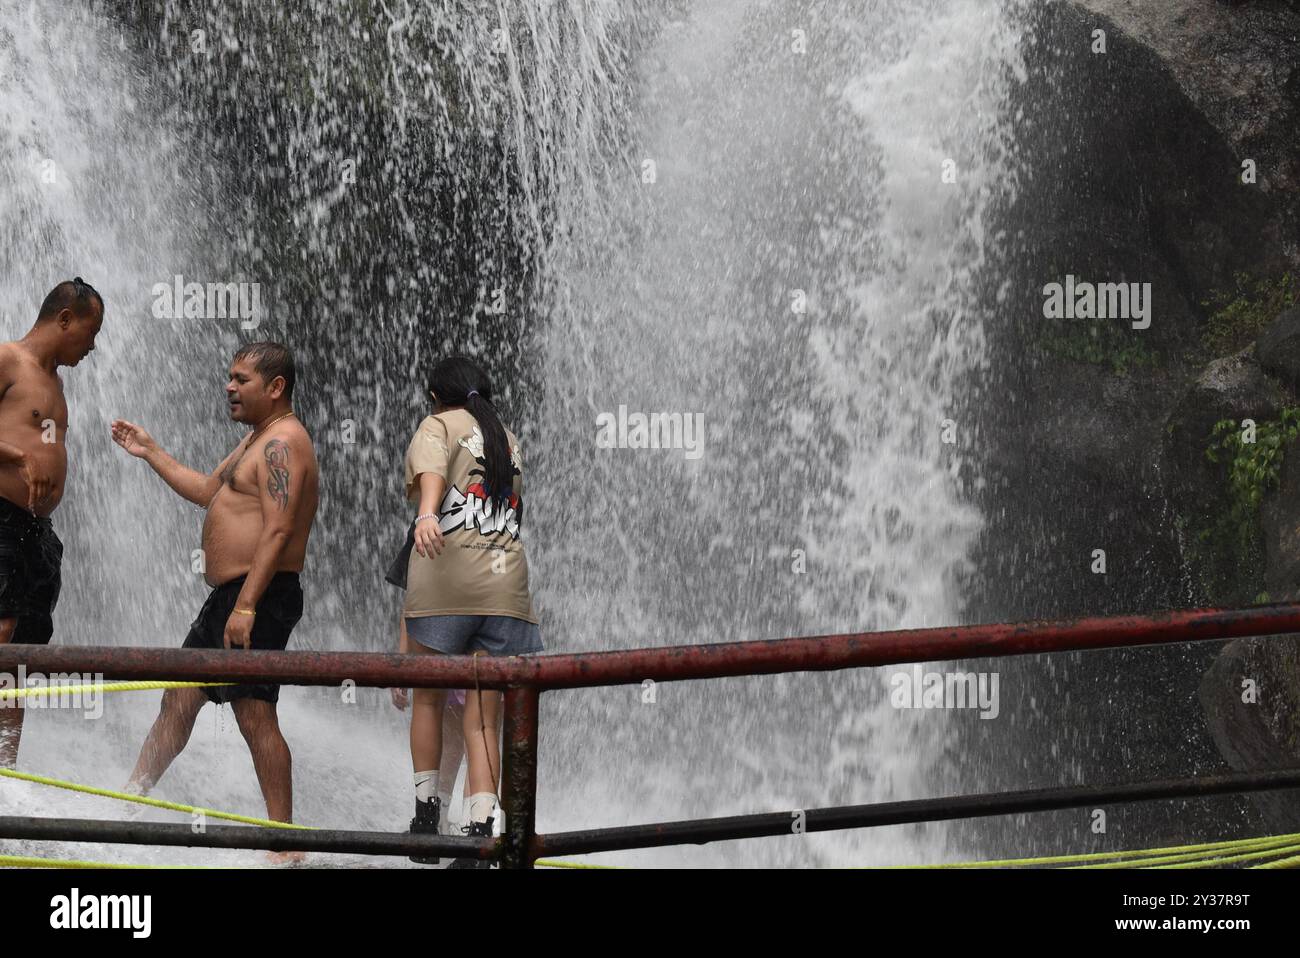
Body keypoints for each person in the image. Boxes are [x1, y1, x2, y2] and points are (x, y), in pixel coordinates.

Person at [110, 342, 318, 863]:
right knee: (179, 699)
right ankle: (129, 804)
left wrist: (246, 607)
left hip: (258, 595)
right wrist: (150, 451)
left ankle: (284, 843)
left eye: (241, 379)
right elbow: (207, 490)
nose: (229, 386)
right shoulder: (255, 439)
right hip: (232, 597)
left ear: (275, 387)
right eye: (229, 377)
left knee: (255, 713)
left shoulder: (283, 443)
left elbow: (278, 531)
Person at [401, 356, 541, 868]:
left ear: (437, 396)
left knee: (430, 702)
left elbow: (431, 472)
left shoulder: (438, 423)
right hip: (507, 589)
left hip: (447, 582)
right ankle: (483, 827)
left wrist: (426, 514)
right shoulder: (507, 438)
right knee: (484, 720)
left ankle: (425, 816)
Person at [0, 278, 104, 767]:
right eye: (90, 331)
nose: (92, 345)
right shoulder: (7, 359)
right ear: (64, 319)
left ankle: (6, 768)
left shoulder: (57, 385)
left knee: (22, 655)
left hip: (36, 534)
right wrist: (19, 458)